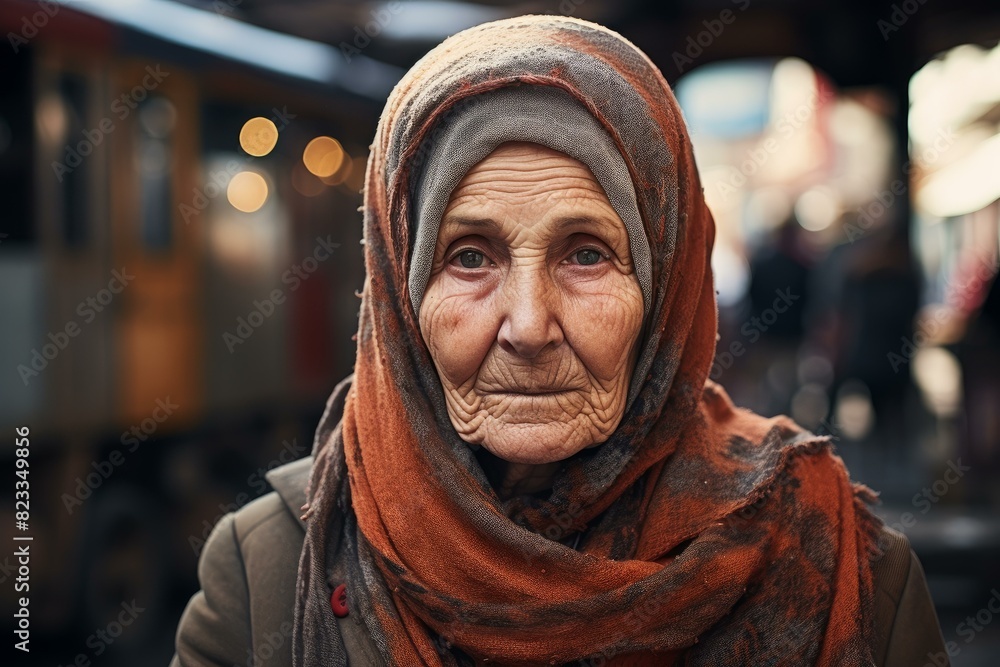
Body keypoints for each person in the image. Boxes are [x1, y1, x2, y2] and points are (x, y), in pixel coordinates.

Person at [170, 15, 947, 667]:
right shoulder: (266, 575)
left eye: (586, 253)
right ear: (400, 297)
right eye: (469, 256)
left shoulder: (839, 554)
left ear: (666, 284)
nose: (530, 327)